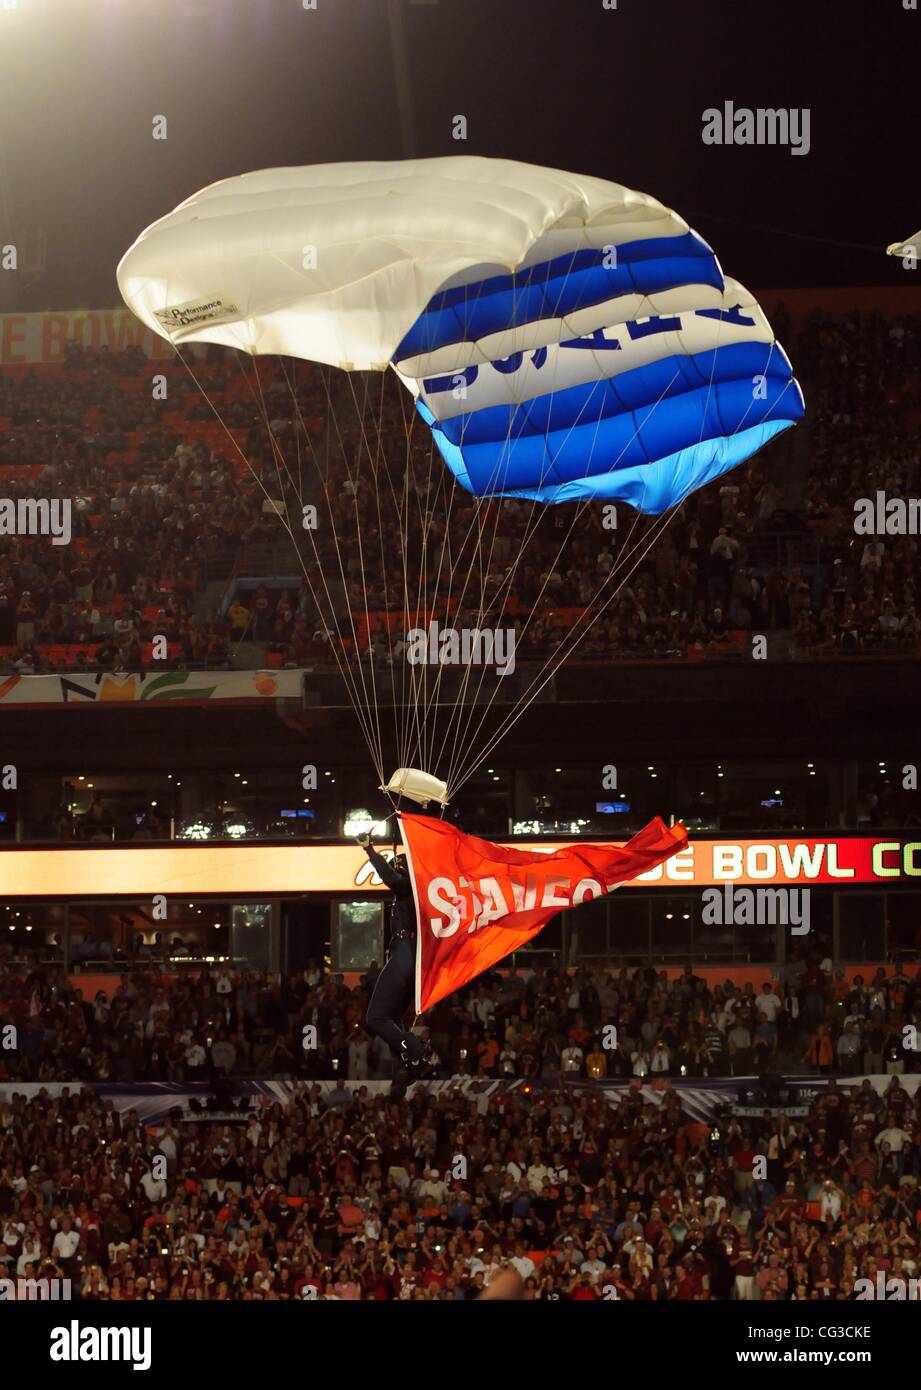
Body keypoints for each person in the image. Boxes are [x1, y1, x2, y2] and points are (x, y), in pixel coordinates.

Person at [356, 829, 428, 1094]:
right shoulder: (421, 892)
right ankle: (411, 1061)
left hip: (405, 952)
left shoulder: (409, 886)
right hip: (414, 955)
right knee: (392, 1019)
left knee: (375, 1017)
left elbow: (390, 878)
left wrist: (369, 850)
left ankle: (417, 1051)